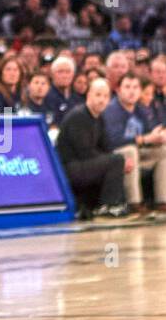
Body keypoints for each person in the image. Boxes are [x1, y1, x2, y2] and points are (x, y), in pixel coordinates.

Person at [101, 72, 166, 217]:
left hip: (138, 153)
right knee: (130, 151)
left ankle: (162, 201)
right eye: (127, 87)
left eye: (135, 87)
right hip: (115, 156)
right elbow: (113, 140)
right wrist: (144, 139)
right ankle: (134, 203)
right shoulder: (112, 110)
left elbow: (150, 132)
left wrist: (160, 136)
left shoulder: (140, 109)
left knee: (165, 151)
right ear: (118, 90)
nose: (132, 91)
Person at [54, 79, 133, 220]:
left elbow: (106, 147)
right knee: (116, 161)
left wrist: (120, 161)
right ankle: (109, 205)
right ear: (89, 95)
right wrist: (114, 160)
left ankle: (119, 203)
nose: (102, 100)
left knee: (119, 159)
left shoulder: (99, 118)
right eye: (98, 95)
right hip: (70, 168)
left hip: (85, 164)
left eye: (105, 96)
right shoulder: (78, 116)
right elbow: (84, 152)